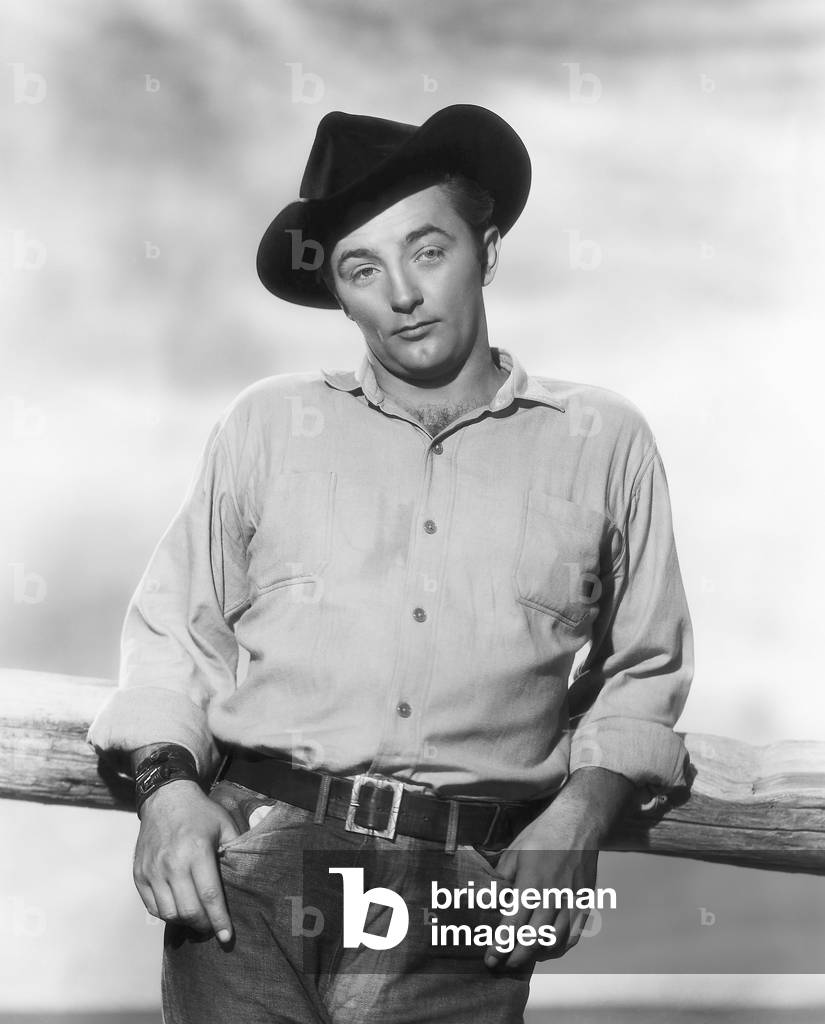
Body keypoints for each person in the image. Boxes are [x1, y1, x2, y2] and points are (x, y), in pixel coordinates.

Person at [87, 104, 694, 1023]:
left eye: (428, 251)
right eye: (362, 269)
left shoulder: (604, 441)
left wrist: (579, 814)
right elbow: (176, 633)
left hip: (466, 895)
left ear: (487, 251)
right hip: (250, 871)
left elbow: (644, 667)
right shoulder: (267, 424)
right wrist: (167, 795)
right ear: (338, 294)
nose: (403, 294)